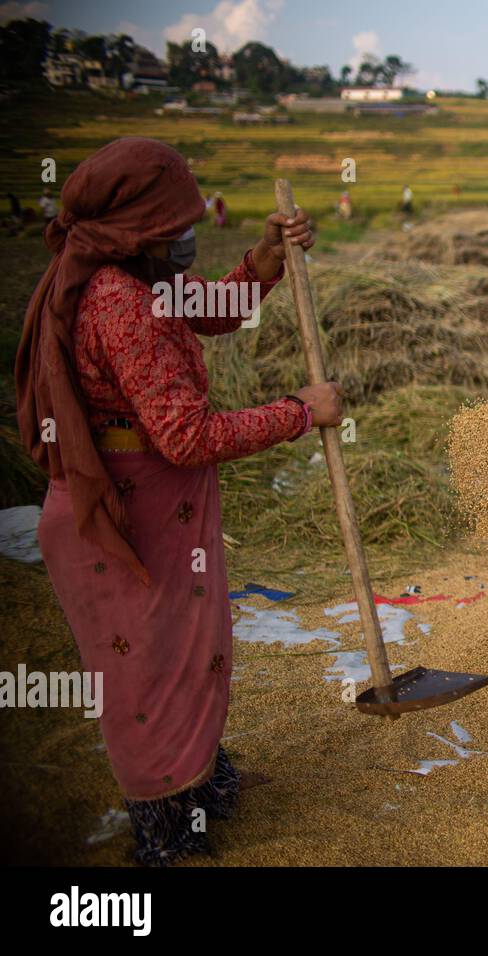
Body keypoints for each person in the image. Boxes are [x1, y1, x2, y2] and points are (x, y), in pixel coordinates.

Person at [14, 137, 343, 864]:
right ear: (137, 228)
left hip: (158, 509)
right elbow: (185, 436)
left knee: (183, 656)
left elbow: (215, 308)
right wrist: (299, 410)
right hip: (127, 515)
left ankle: (199, 788)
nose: (188, 235)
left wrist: (266, 255)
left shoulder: (140, 276)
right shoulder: (119, 299)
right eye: (176, 223)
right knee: (148, 671)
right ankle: (167, 828)